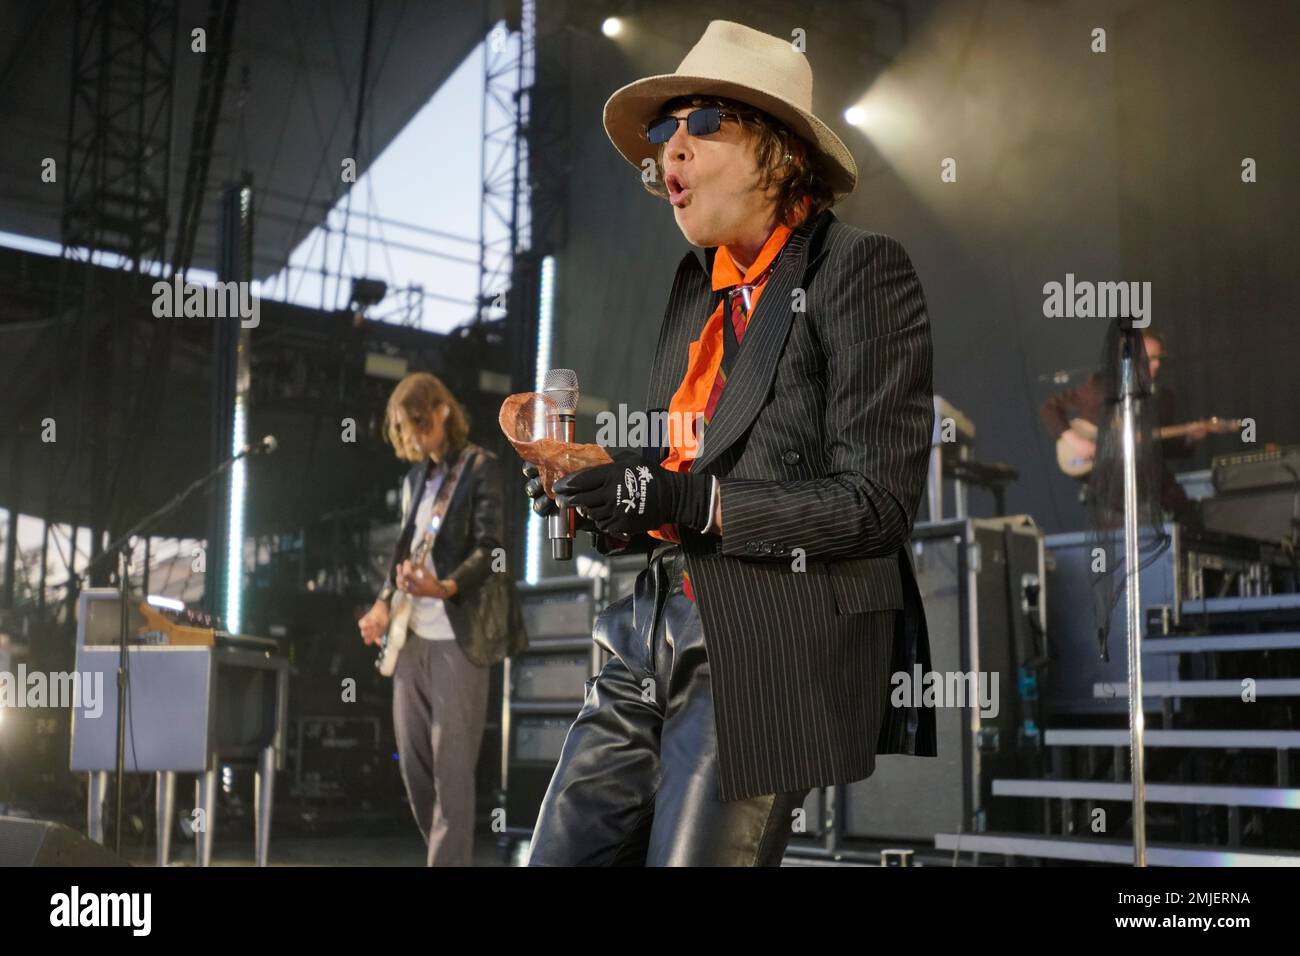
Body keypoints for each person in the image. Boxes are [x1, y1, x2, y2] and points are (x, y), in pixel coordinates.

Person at [521, 20, 936, 866]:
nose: (669, 151)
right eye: (663, 131)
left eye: (702, 122)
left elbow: (878, 505)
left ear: (779, 152)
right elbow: (679, 465)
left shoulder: (859, 269)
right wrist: (604, 487)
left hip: (768, 640)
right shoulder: (696, 286)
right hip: (646, 628)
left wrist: (683, 499)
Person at [358, 372, 506, 866]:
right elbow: (403, 553)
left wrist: (443, 586)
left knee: (451, 772)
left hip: (456, 637)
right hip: (410, 636)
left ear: (442, 411)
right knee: (416, 770)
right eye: (403, 429)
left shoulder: (481, 468)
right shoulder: (415, 480)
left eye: (417, 424)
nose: (413, 438)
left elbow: (492, 550)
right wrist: (381, 604)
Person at [1039, 329, 1201, 520]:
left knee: (1186, 512)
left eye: (1159, 359)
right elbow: (1050, 409)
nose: (1156, 364)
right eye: (1150, 359)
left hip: (1154, 481)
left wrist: (1189, 439)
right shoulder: (1101, 387)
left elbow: (1162, 447)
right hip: (1112, 481)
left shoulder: (1164, 398)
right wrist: (1076, 441)